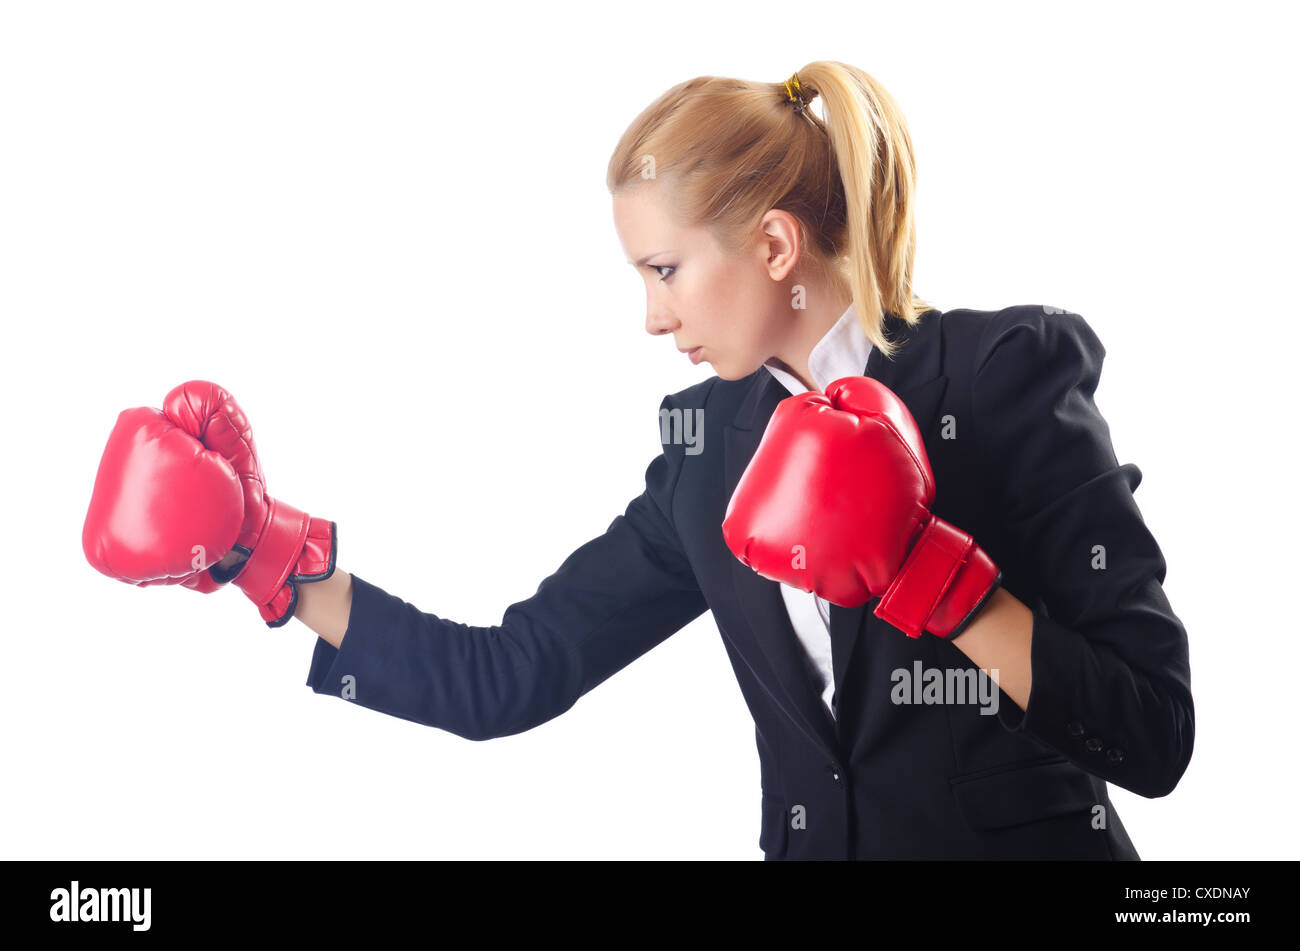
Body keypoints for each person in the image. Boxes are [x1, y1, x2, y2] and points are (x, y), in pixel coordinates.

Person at [82, 61, 1193, 860]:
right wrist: (263, 557)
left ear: (771, 245)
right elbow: (509, 674)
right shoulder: (707, 462)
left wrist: (939, 583)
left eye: (663, 270)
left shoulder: (998, 379)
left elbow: (1154, 732)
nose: (651, 320)